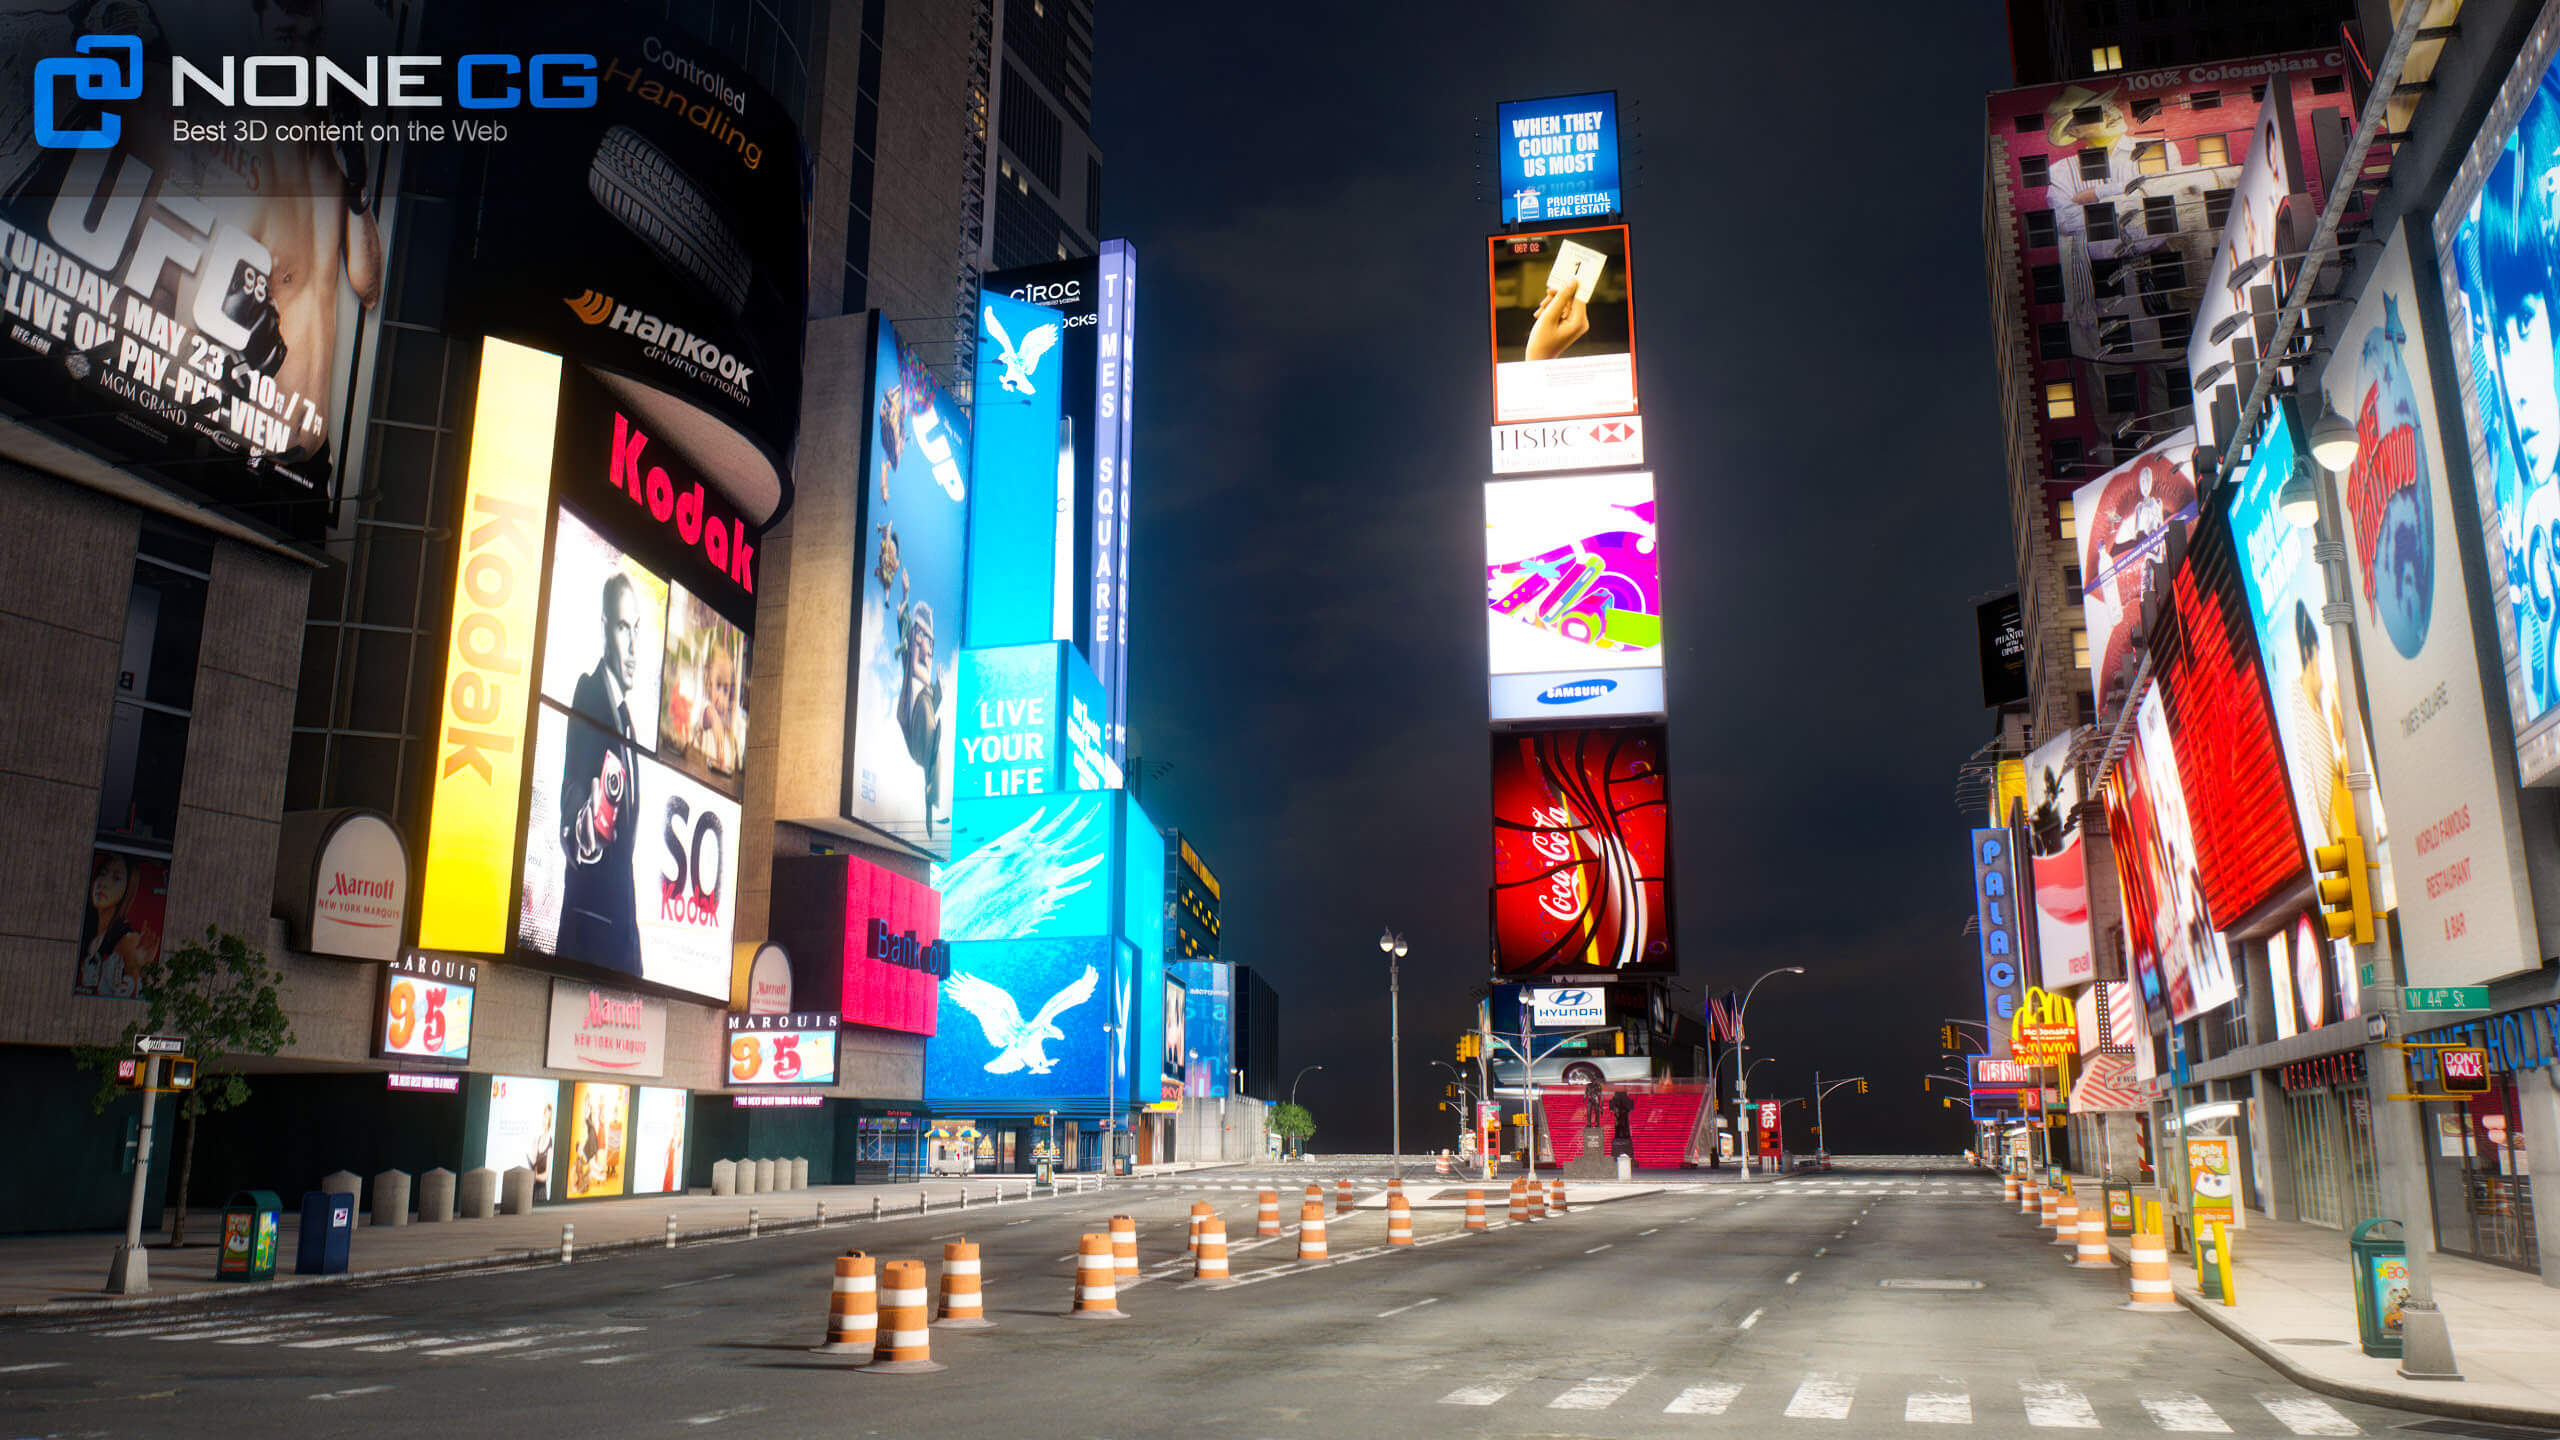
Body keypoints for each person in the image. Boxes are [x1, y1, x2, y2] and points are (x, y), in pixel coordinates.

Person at [558, 574, 643, 974]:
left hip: (622, 942)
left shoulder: (627, 721)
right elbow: (574, 784)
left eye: (637, 629)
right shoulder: (589, 692)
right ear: (604, 628)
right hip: (590, 940)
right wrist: (580, 828)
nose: (633, 647)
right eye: (623, 628)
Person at [77, 852, 158, 998]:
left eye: (115, 878)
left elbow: (131, 999)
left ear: (127, 888)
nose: (103, 883)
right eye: (102, 873)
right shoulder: (85, 928)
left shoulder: (129, 941)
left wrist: (140, 968)